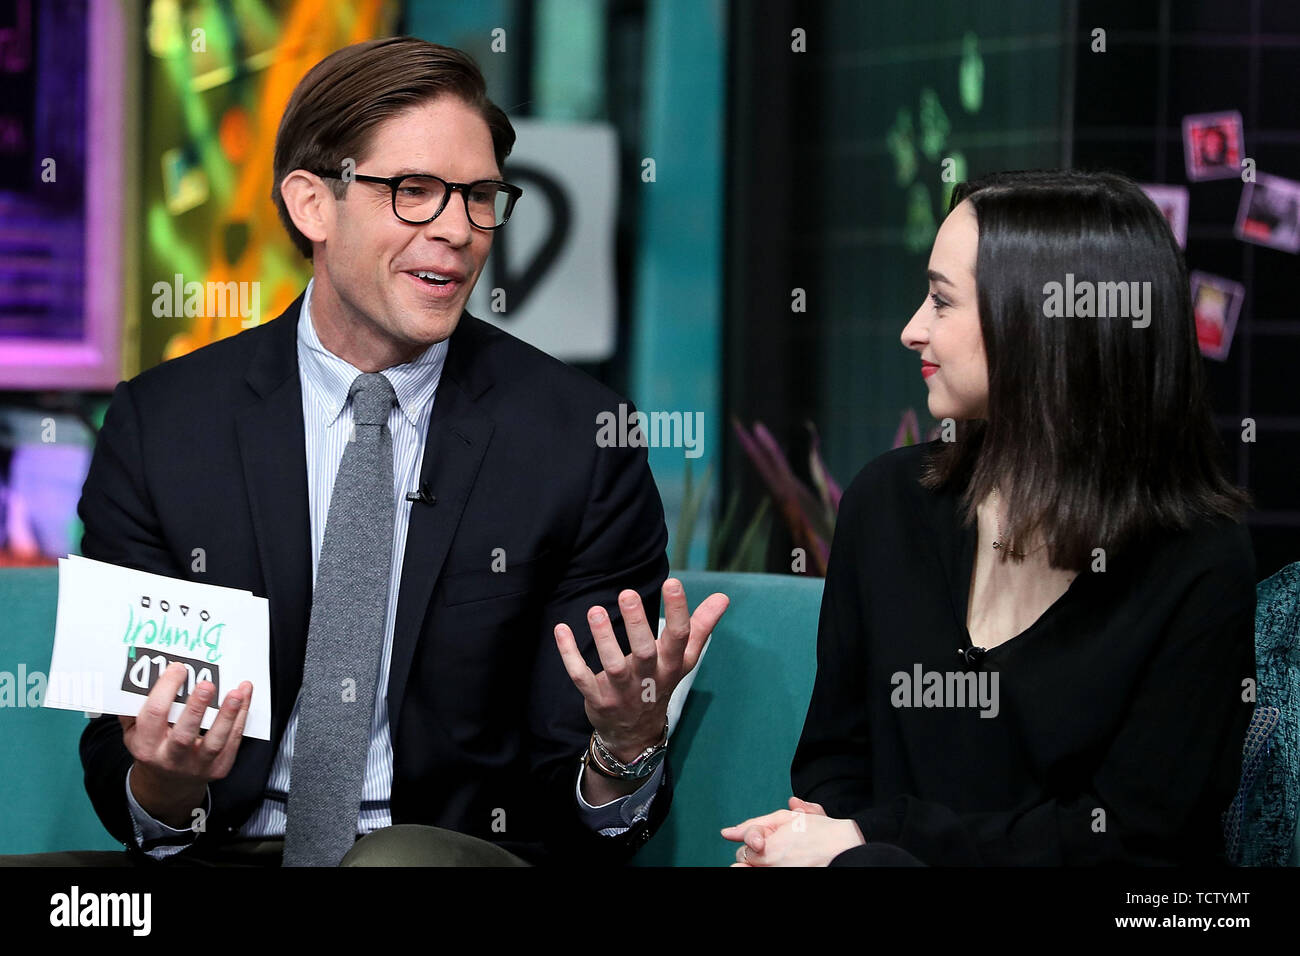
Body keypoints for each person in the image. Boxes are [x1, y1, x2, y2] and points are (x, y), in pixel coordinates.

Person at [4, 37, 727, 868]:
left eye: (481, 196)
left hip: (442, 857)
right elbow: (128, 778)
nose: (458, 230)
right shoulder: (164, 426)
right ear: (312, 204)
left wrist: (623, 749)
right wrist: (168, 782)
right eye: (415, 192)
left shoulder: (578, 441)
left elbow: (587, 820)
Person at [722, 169, 1256, 866]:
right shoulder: (886, 505)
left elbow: (1131, 839)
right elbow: (833, 768)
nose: (912, 329)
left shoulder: (1197, 560)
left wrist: (879, 843)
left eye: (942, 301)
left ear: (1043, 325)